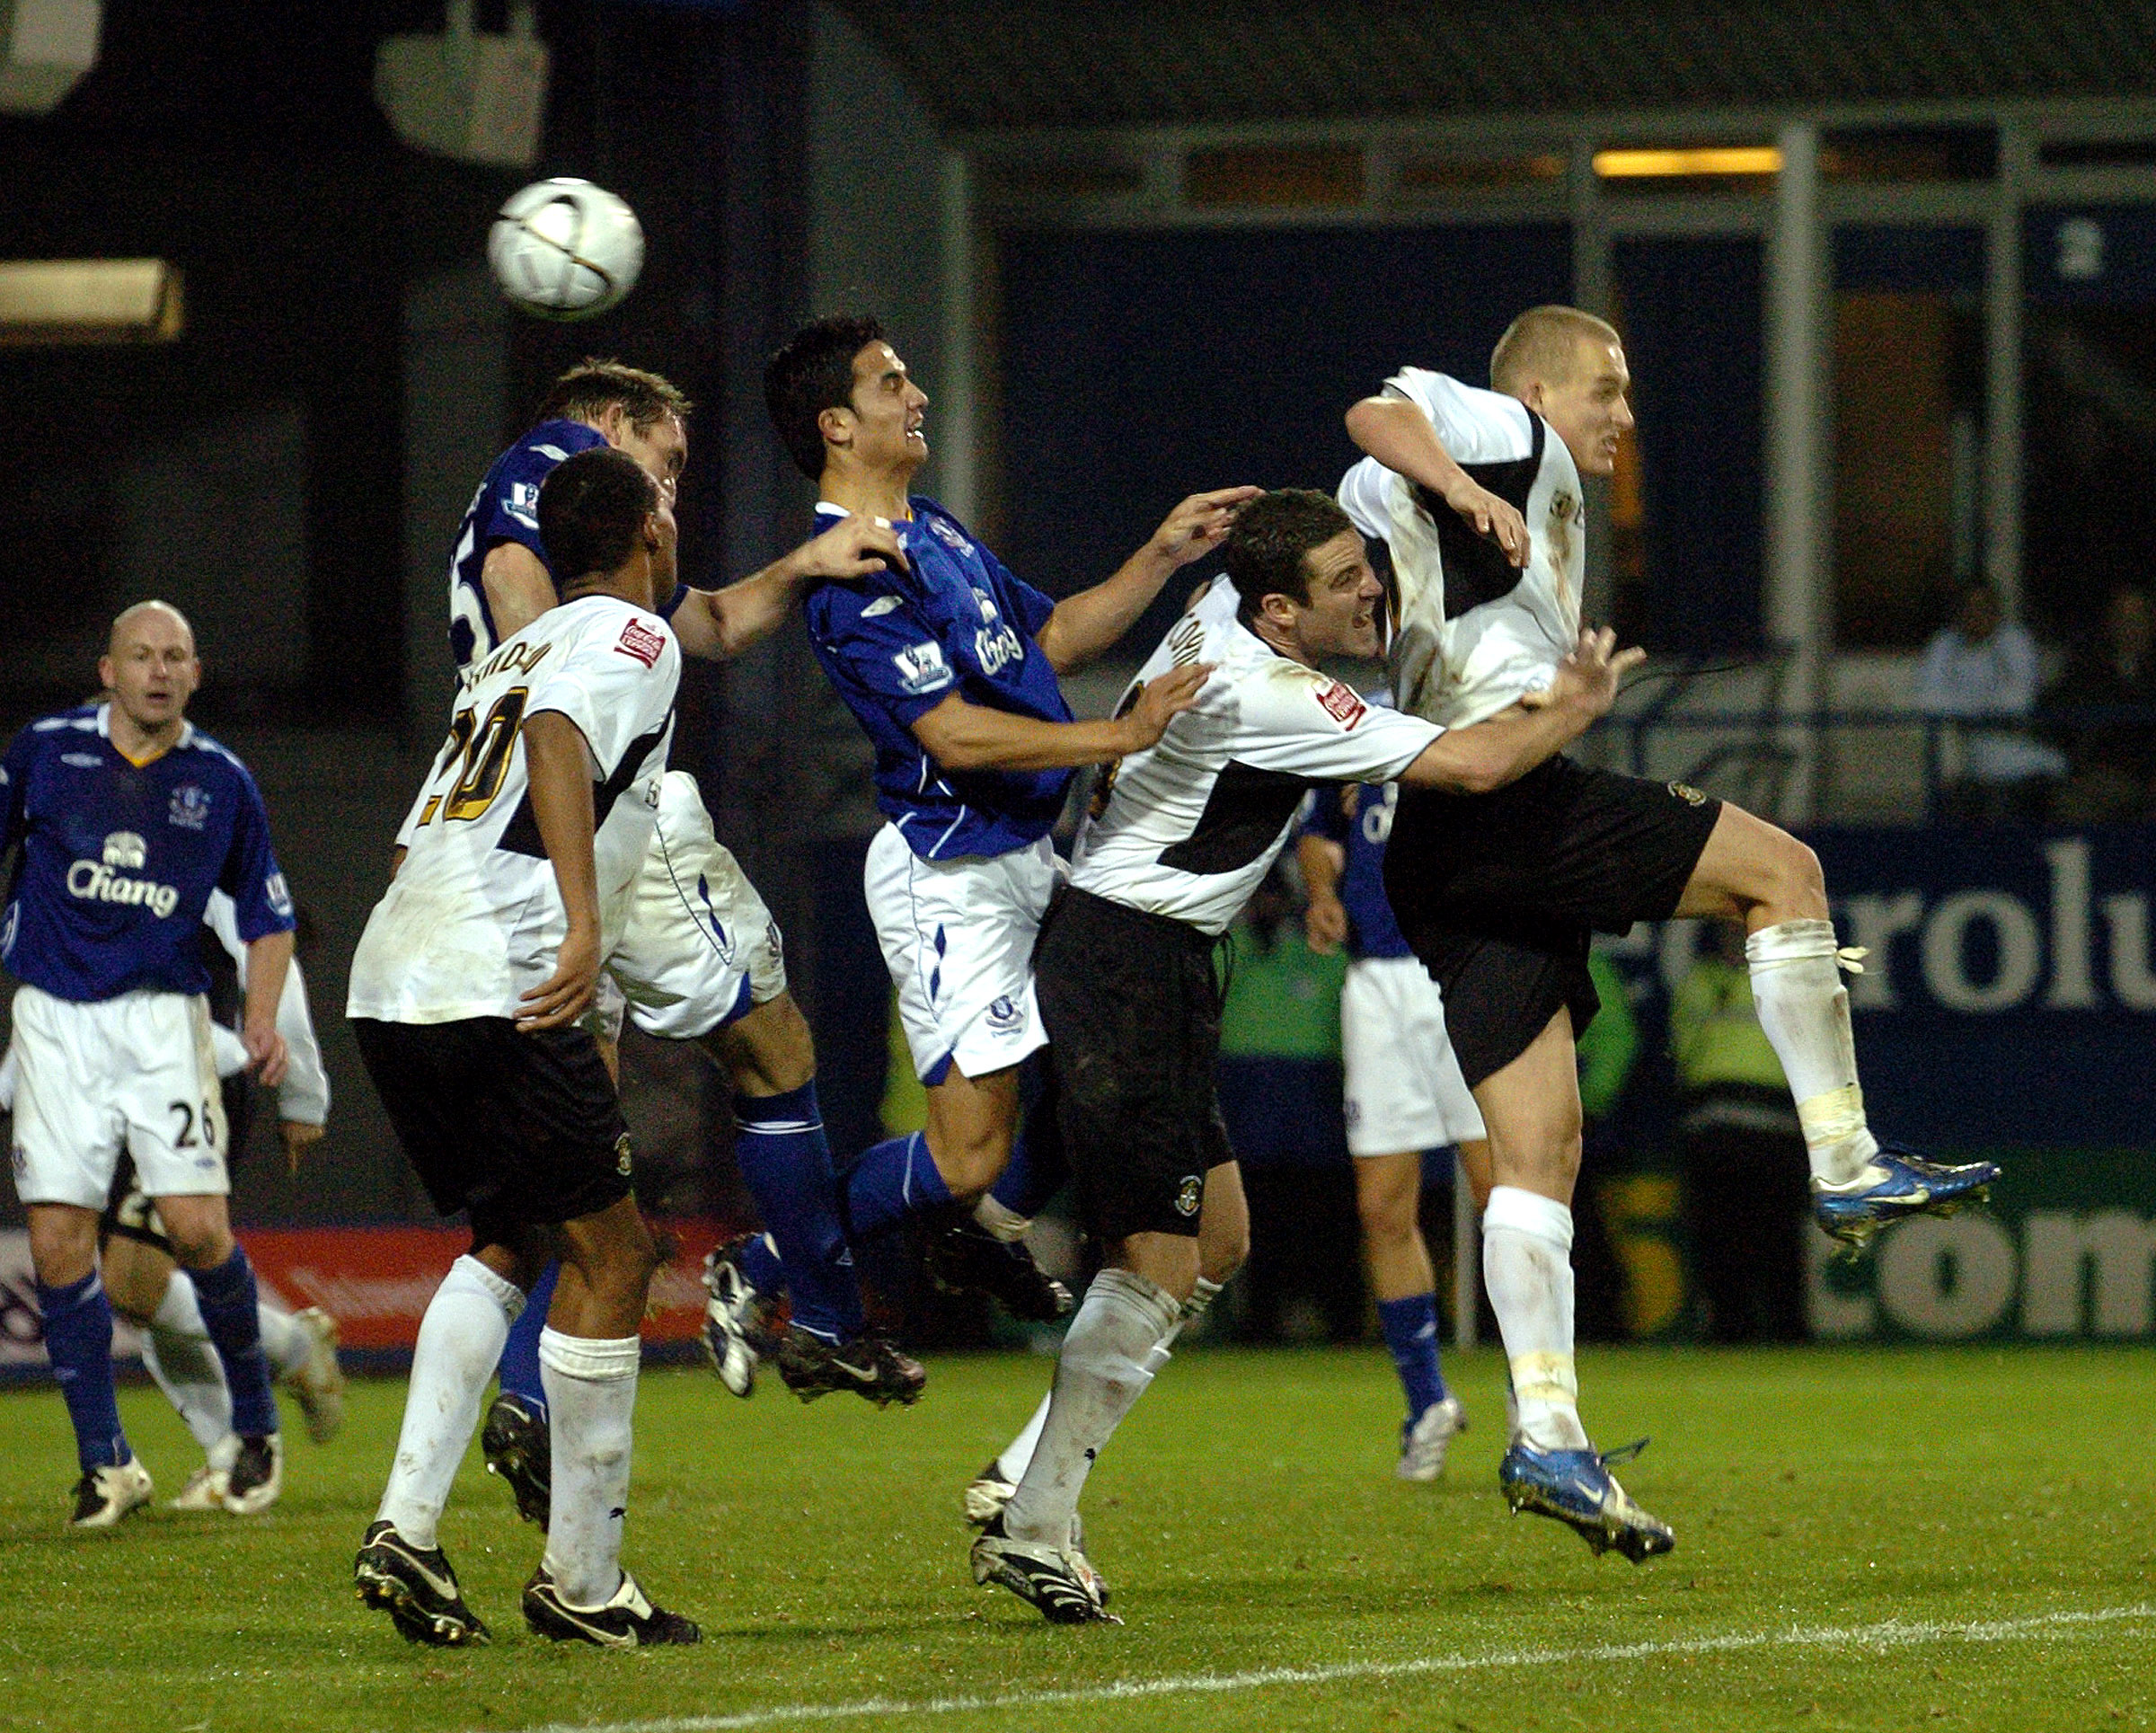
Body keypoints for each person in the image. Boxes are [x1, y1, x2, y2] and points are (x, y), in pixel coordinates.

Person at [1338, 305, 1999, 1561]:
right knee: (1785, 873)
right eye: (1608, 388)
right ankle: (1846, 1158)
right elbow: (1375, 413)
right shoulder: (1504, 431)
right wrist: (1466, 491)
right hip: (1510, 797)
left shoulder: (1526, 491)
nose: (1623, 415)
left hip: (1440, 840)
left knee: (1540, 1155)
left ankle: (1545, 1432)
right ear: (1535, 385)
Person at [970, 491, 1631, 1622]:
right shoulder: (1272, 693)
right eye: (1344, 582)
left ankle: (1020, 1472)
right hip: (1126, 961)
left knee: (1216, 1238)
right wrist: (1570, 708)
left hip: (1150, 959)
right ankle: (1032, 1524)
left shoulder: (1220, 603)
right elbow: (1472, 769)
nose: (1370, 586)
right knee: (1159, 1260)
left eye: (1364, 563)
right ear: (1278, 611)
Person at [446, 361, 918, 1536]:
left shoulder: (576, 529)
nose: (667, 493)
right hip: (608, 812)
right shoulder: (549, 467)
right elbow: (526, 609)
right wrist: (566, 704)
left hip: (520, 840)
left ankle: (507, 1414)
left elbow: (703, 622)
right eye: (663, 463)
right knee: (775, 1046)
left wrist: (807, 566)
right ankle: (817, 1312)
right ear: (612, 427)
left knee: (576, 1166)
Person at [736, 313, 1251, 1362]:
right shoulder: (851, 577)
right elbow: (952, 735)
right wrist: (1123, 730)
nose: (916, 395)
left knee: (1094, 1062)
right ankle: (773, 1261)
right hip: (949, 870)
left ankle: (983, 1240)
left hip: (1026, 856)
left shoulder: (939, 533)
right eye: (893, 383)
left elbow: (1048, 637)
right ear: (836, 425)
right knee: (967, 1158)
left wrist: (1159, 555)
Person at [349, 447, 695, 1648]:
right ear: (646, 527)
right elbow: (555, 737)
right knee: (618, 1256)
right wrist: (583, 927)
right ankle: (585, 1584)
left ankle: (407, 1526)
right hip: (500, 983)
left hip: (396, 974)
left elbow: (412, 844)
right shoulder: (636, 638)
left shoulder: (504, 652)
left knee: (506, 1237)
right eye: (669, 500)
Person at [2, 600, 295, 1525]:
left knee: (199, 1233)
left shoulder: (222, 780)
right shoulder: (43, 753)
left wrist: (257, 1017)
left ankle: (254, 1429)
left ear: (195, 676)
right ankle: (107, 1463)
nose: (159, 671)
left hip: (165, 1023)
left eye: (176, 657)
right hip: (54, 1023)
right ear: (109, 670)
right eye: (142, 656)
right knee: (56, 1245)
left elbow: (267, 913)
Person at [1298, 756, 1490, 1480]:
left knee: (1505, 1200)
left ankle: (1538, 1405)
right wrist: (1322, 889)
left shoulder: (1476, 723)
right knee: (1382, 1207)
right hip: (1376, 981)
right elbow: (1318, 834)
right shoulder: (1351, 727)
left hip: (1461, 968)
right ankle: (1426, 1401)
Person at [1668, 923, 1809, 1344]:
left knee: (1779, 1234)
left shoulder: (1785, 980)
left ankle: (1789, 1332)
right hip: (1715, 1130)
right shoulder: (1697, 984)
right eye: (1730, 931)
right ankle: (1729, 1330)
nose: (1737, 939)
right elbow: (1684, 1050)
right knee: (1719, 1235)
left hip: (1774, 1125)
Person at [1915, 579, 2063, 825]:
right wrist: (1982, 709)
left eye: (1984, 607)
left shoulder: (2013, 640)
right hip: (1968, 763)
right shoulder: (1945, 644)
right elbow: (1928, 701)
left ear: (1996, 611)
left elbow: (2018, 702)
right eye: (1969, 608)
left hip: (2022, 762)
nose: (1976, 615)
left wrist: (1964, 708)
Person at [2042, 581, 2156, 824]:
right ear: (2111, 624)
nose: (2131, 629)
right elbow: (2061, 714)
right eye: (2123, 620)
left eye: (2138, 619)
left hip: (2147, 775)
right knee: (2070, 805)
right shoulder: (2091, 668)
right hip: (2103, 773)